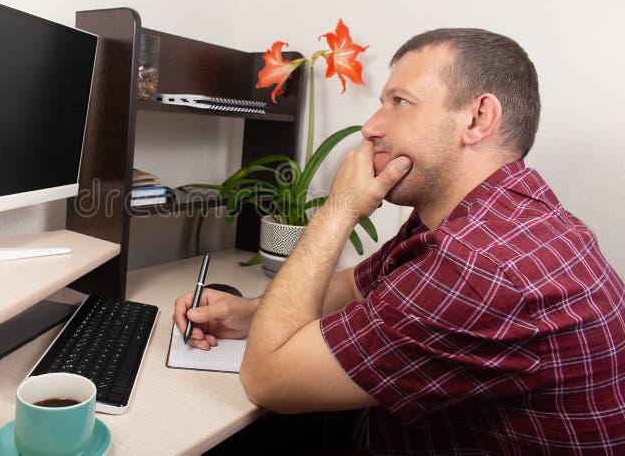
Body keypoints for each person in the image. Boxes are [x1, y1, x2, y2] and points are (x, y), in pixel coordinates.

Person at [174, 28, 625, 454]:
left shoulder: (478, 265)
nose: (370, 127)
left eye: (400, 102)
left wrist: (339, 210)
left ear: (477, 118)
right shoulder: (489, 214)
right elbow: (355, 287)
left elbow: (266, 379)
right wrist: (250, 313)